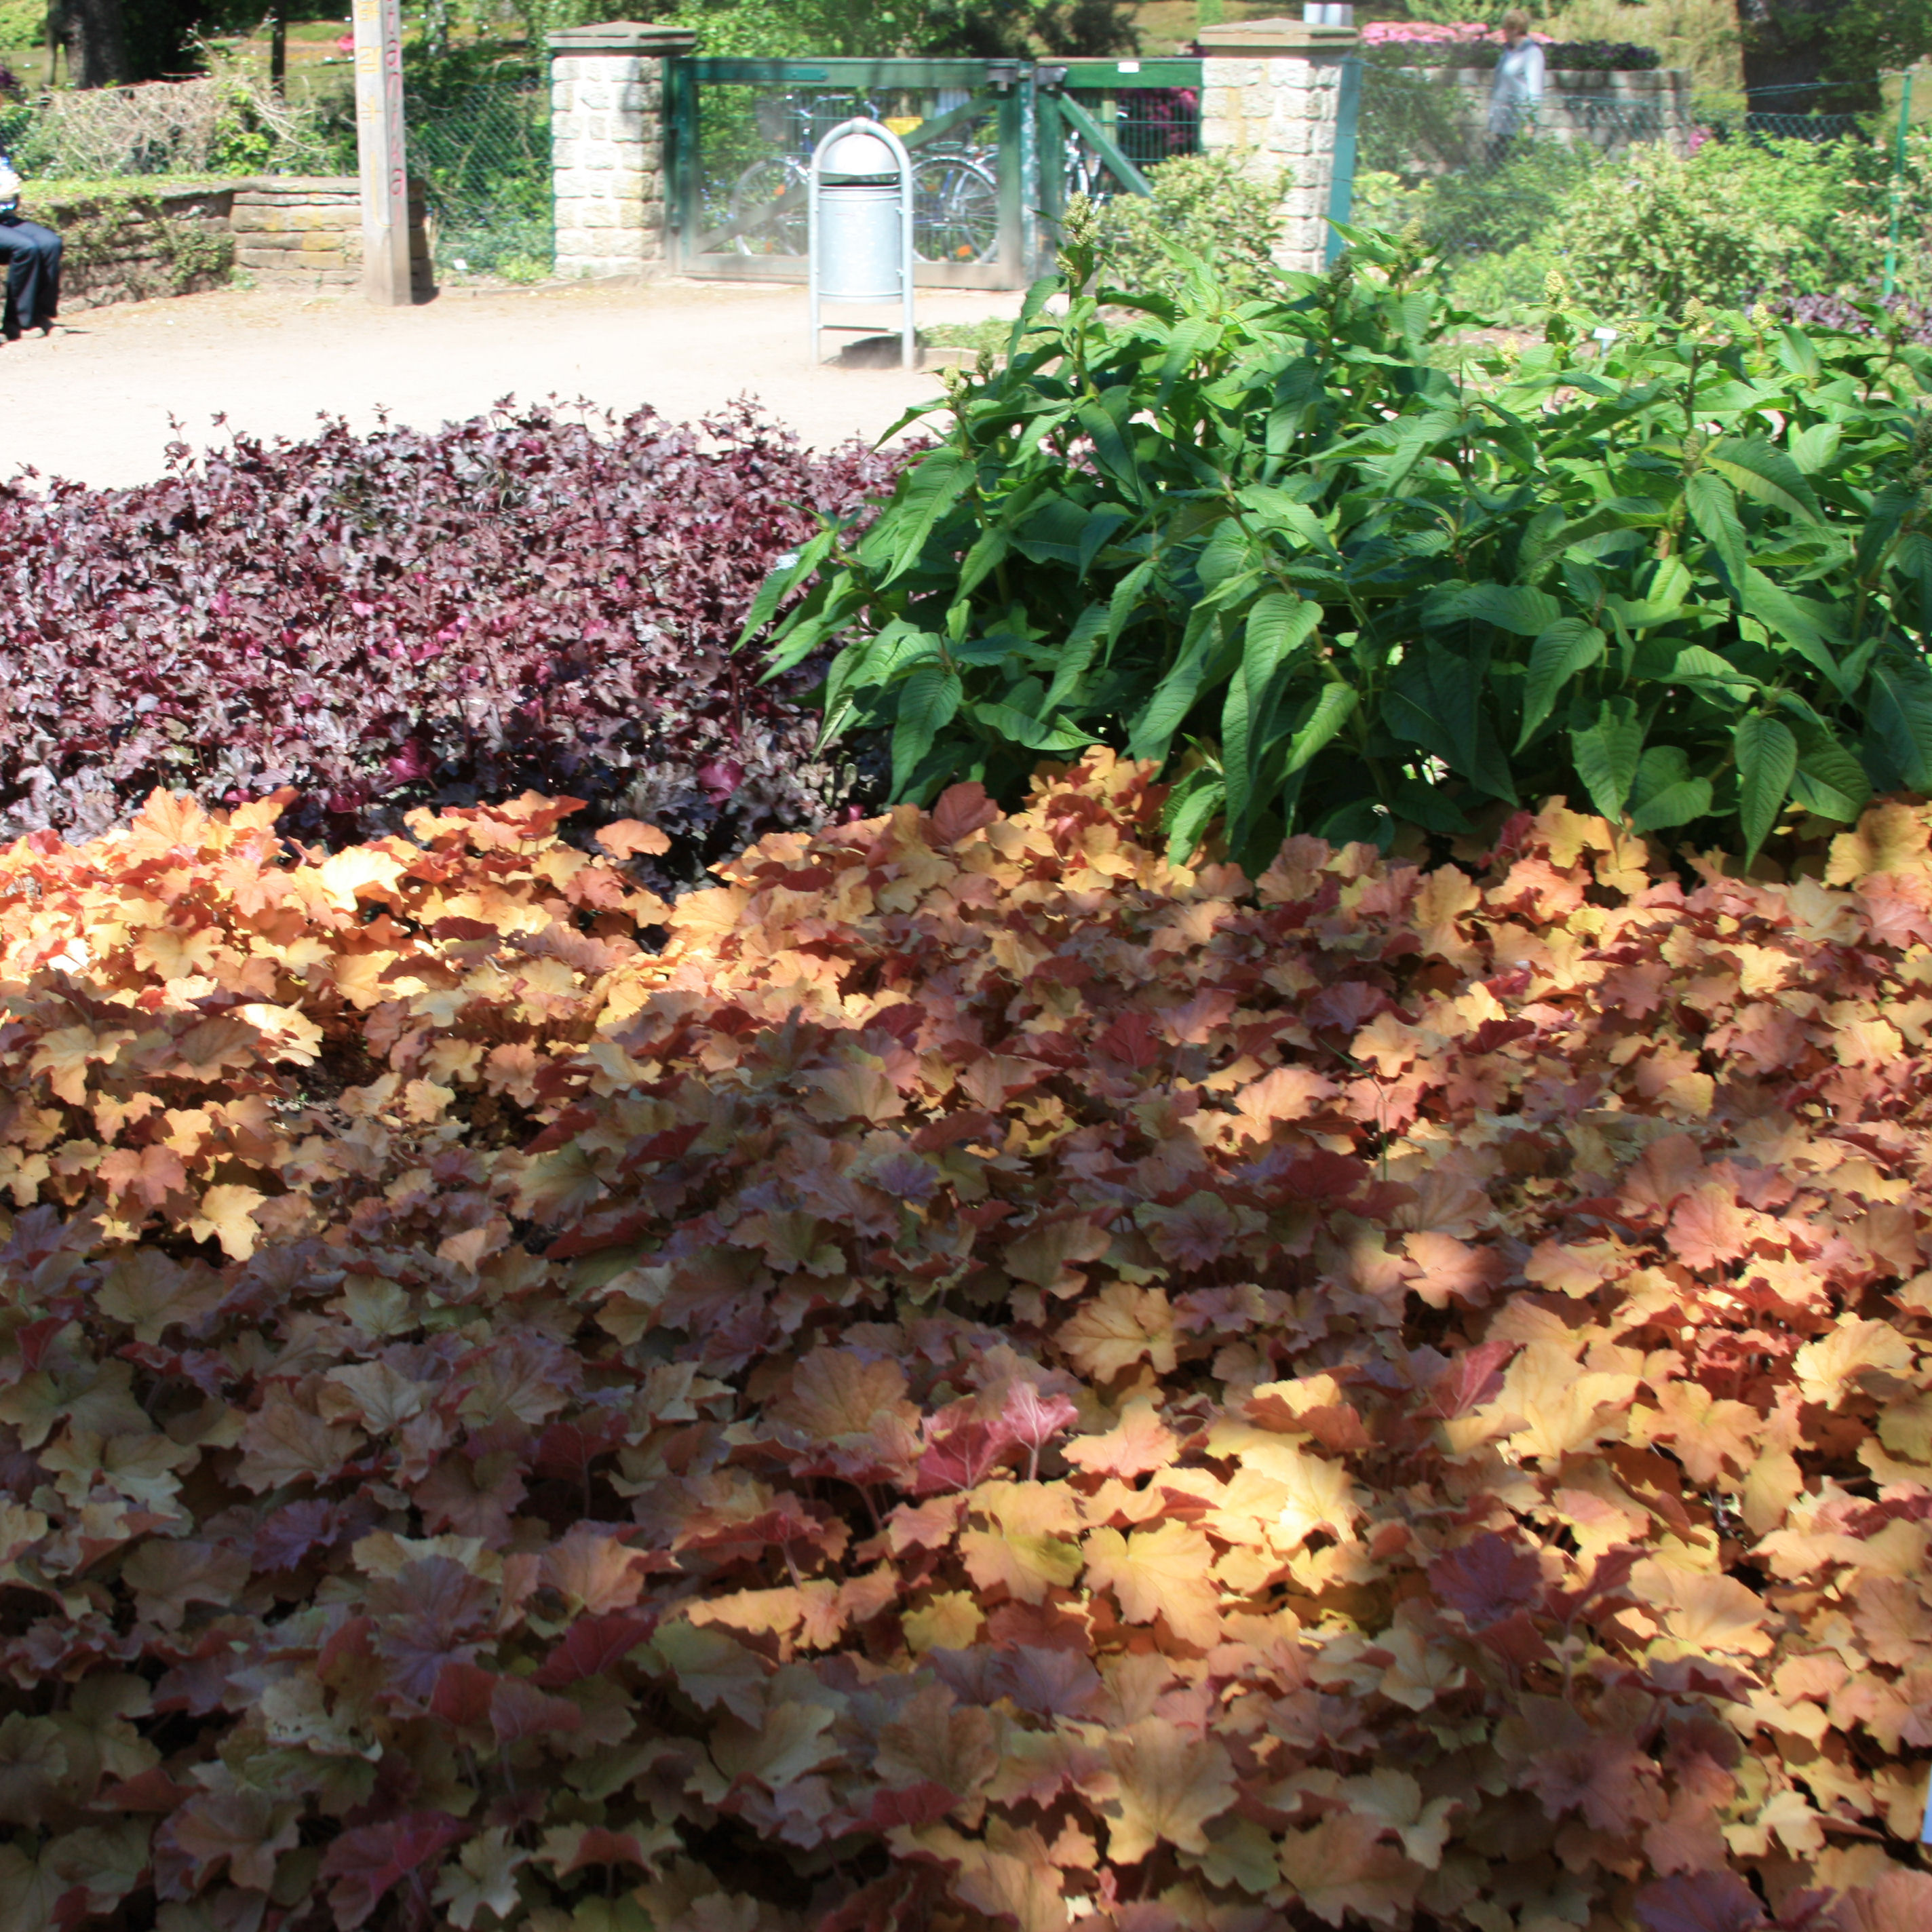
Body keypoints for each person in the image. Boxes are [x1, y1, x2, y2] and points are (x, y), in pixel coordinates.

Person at [0, 157, 62, 343]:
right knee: (25, 248)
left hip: (5, 220)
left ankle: (37, 315)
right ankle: (19, 320)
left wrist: (11, 192)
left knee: (50, 244)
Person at [1486, 9, 1545, 173]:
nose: (1503, 33)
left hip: (1518, 122)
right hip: (1501, 121)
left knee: (1516, 169)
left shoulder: (1532, 54)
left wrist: (1531, 122)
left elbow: (1535, 89)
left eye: (1505, 28)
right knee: (1495, 168)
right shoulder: (1508, 53)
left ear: (1515, 29)